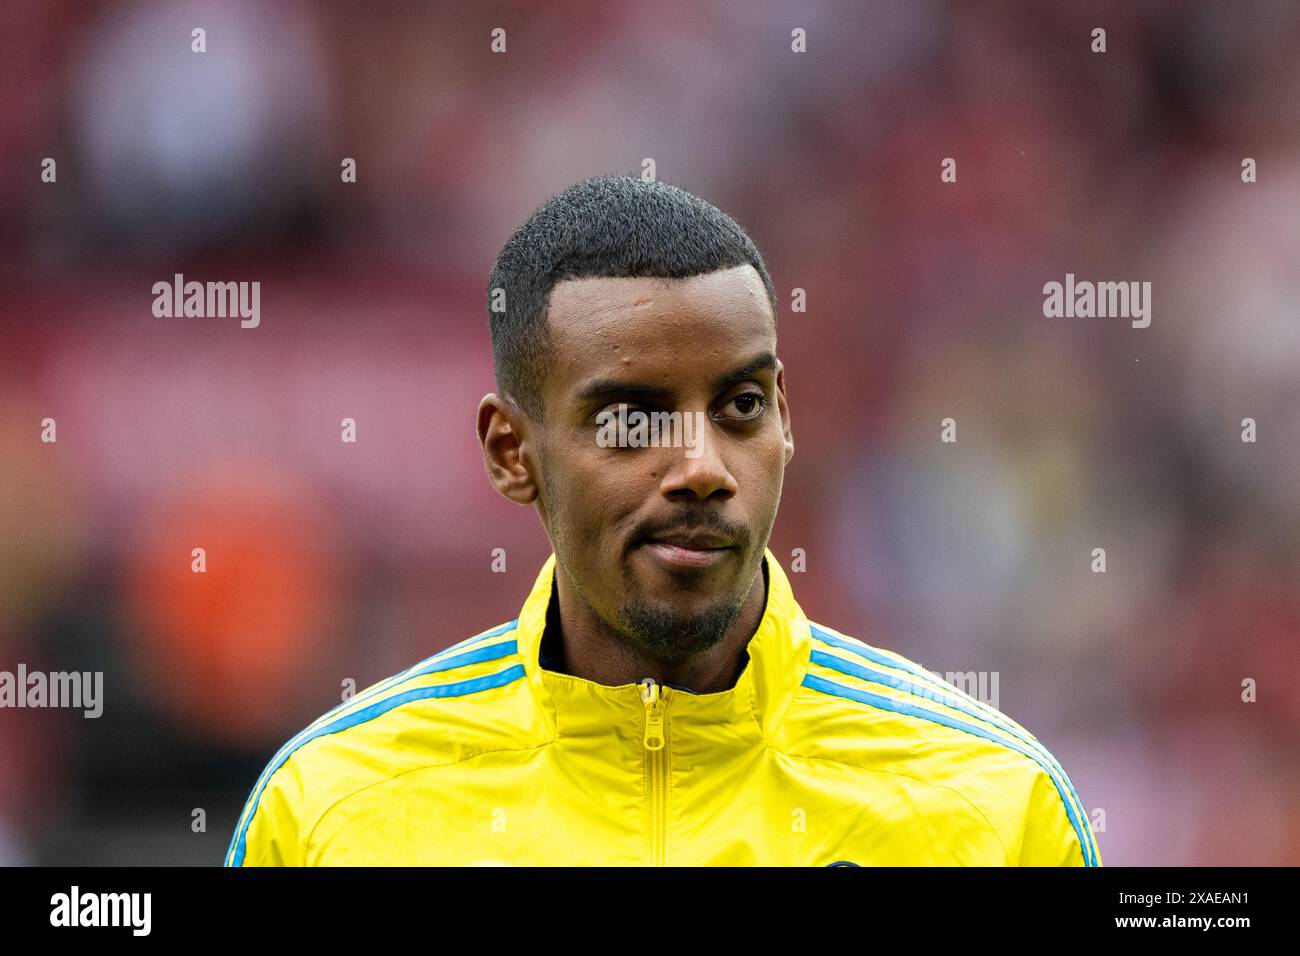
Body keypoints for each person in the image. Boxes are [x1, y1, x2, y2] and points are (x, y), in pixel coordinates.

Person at [225, 175, 1101, 866]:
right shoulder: (331, 808)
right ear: (510, 451)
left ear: (786, 422)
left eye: (741, 405)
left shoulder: (992, 804)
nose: (702, 469)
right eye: (632, 420)